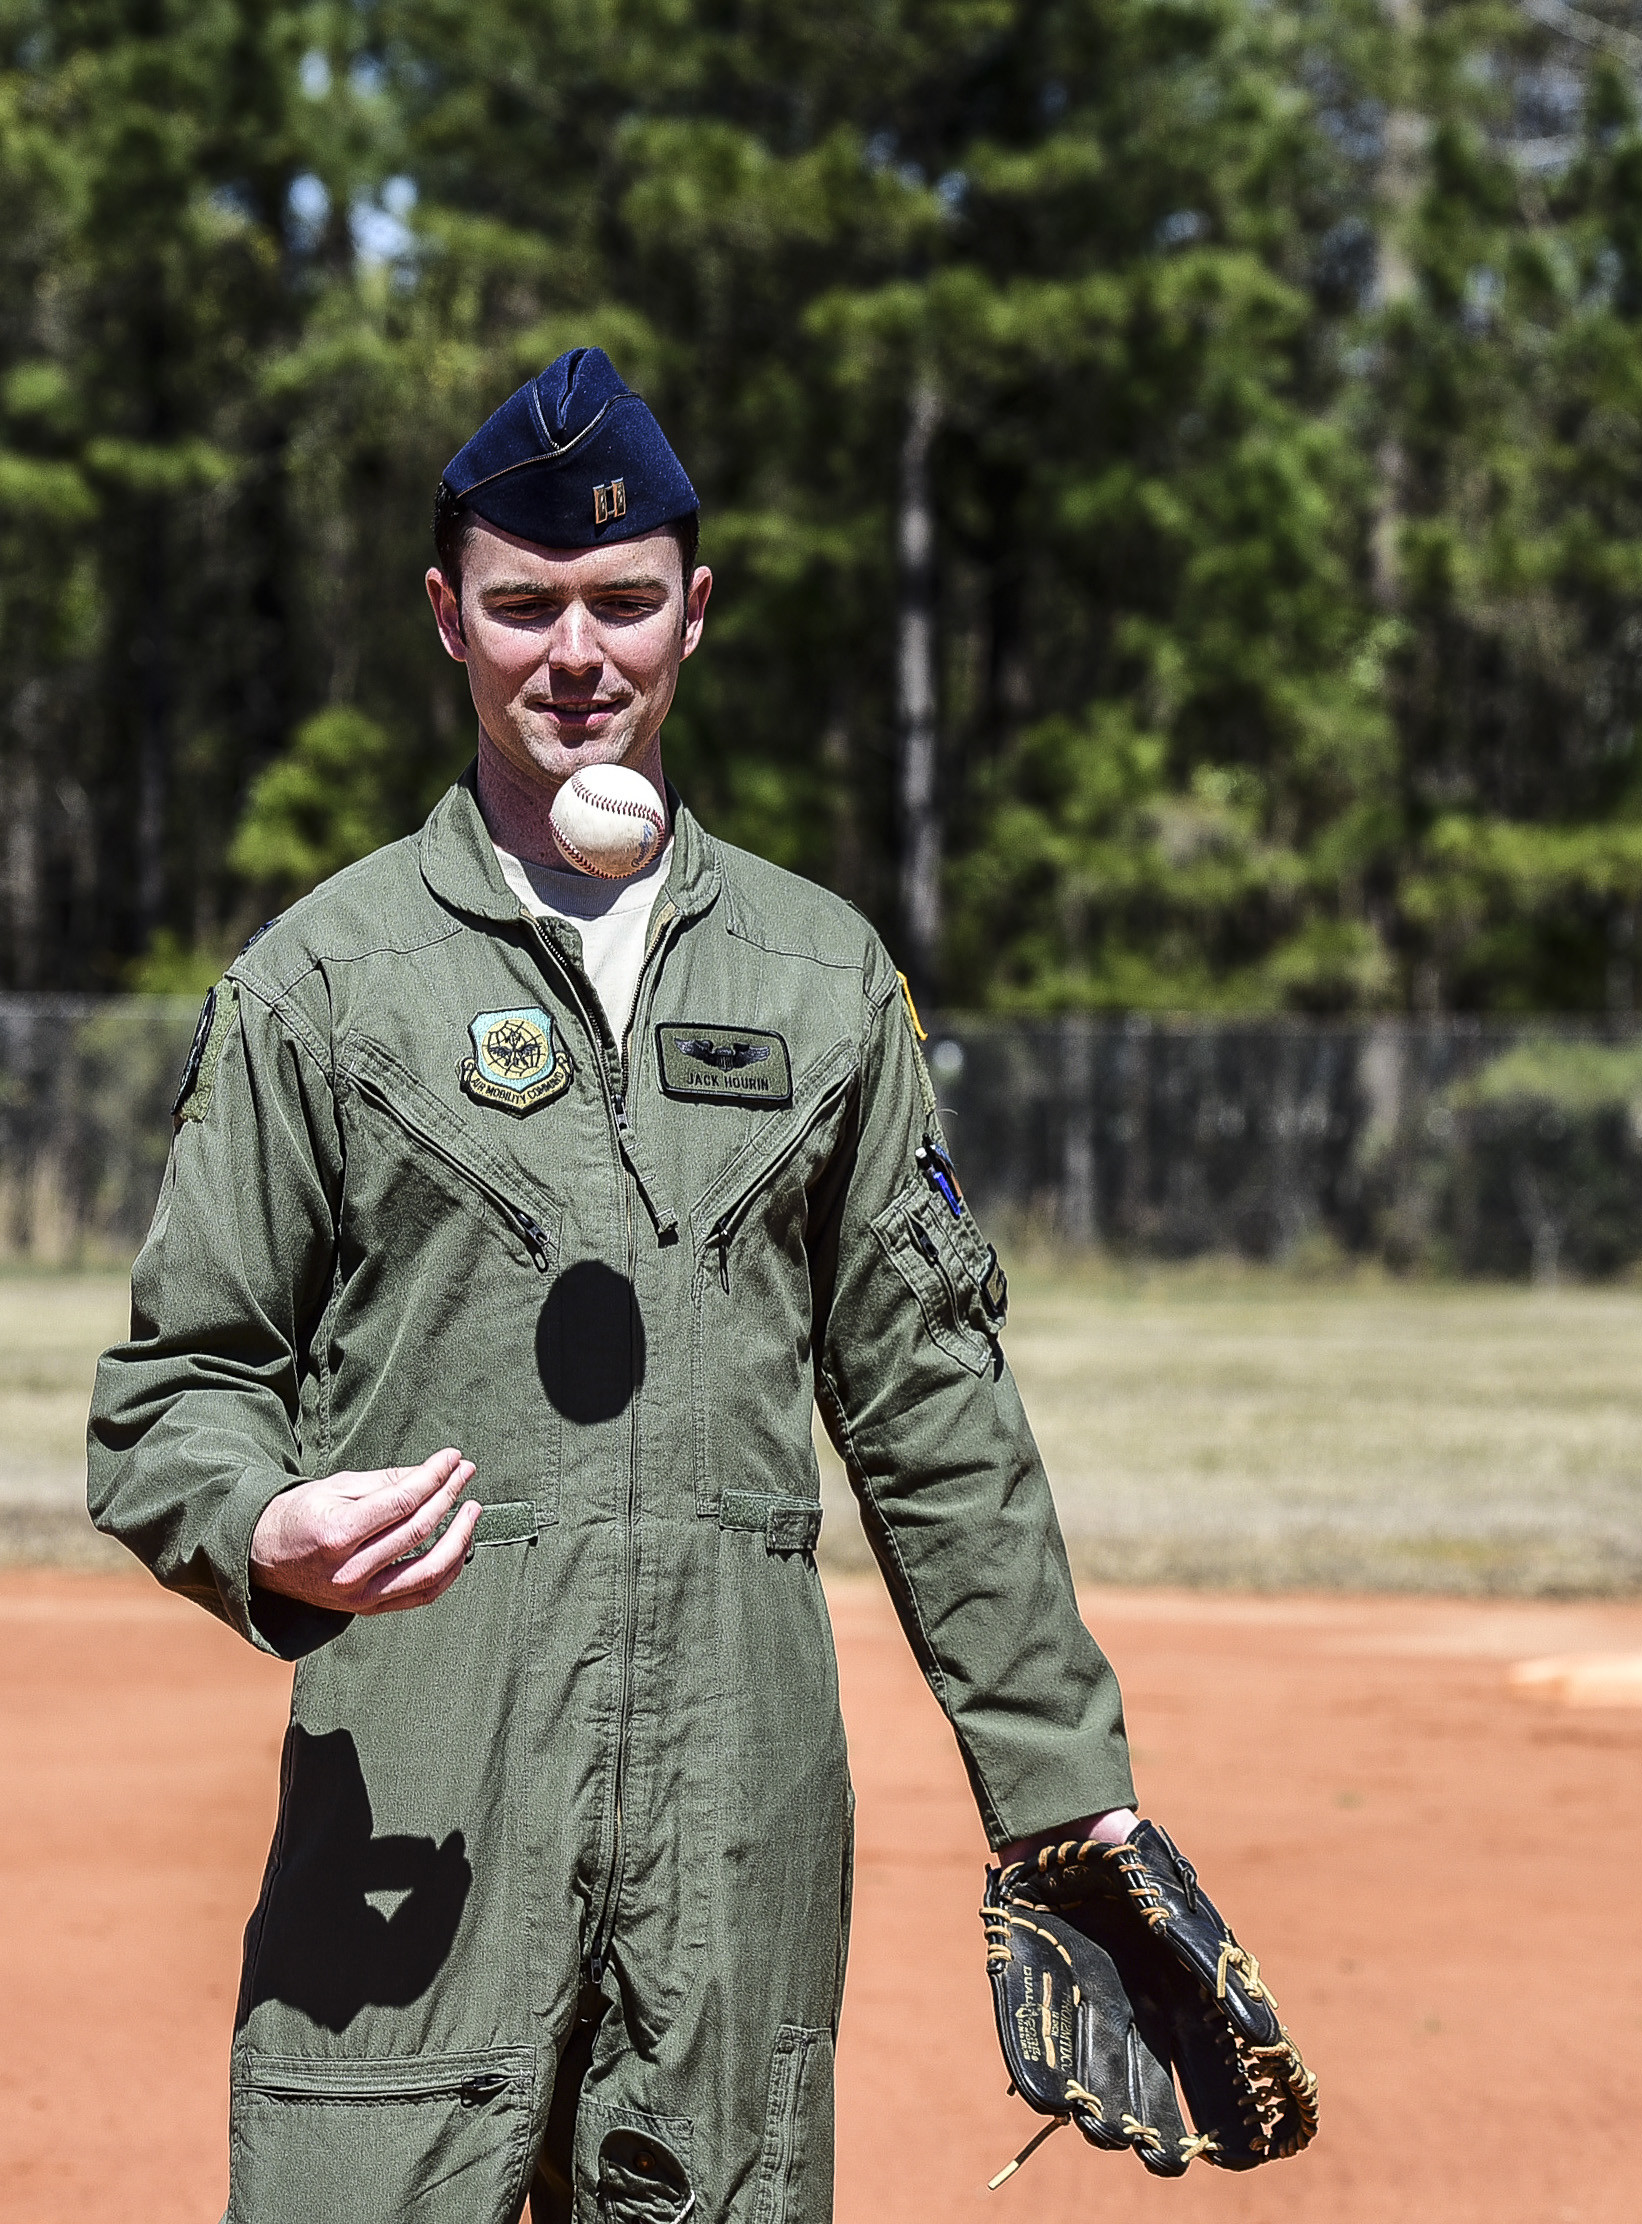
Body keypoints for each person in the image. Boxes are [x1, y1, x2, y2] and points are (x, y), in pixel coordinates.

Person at [89, 348, 1160, 2222]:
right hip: (417, 1781)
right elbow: (175, 1385)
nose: (572, 653)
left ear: (693, 611)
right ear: (446, 616)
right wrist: (261, 1522)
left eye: (619, 600)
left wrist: (1061, 1781)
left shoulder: (823, 981)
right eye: (522, 605)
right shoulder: (321, 983)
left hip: (732, 1796)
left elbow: (931, 1413)